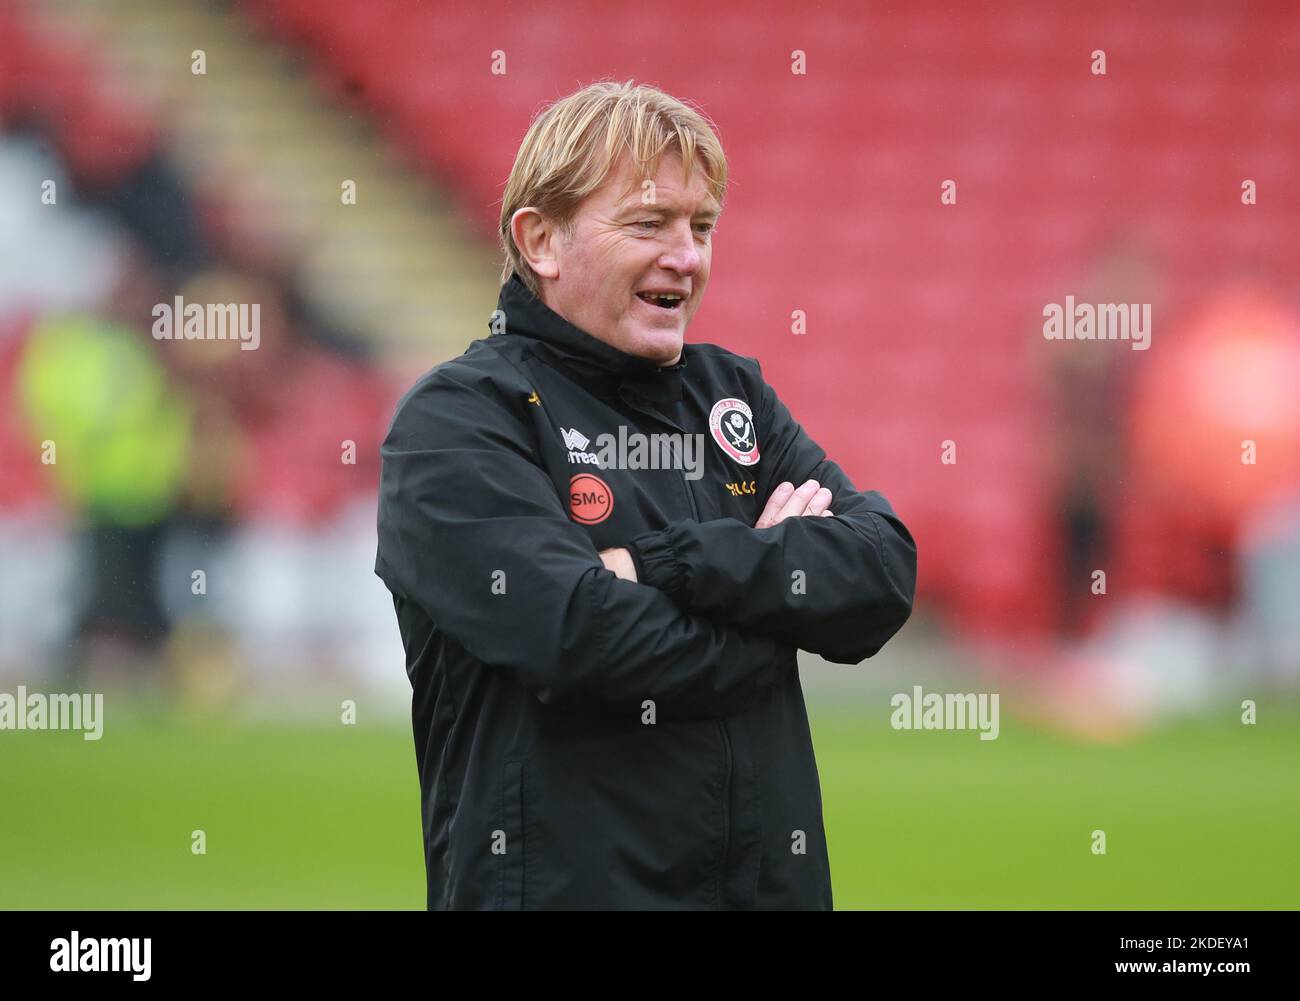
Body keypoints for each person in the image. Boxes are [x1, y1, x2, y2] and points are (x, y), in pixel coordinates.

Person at [375, 80, 916, 909]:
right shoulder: (457, 420)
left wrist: (664, 562)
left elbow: (880, 571)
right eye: (650, 223)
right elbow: (578, 633)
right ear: (541, 240)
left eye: (702, 227)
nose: (688, 256)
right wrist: (777, 613)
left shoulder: (731, 395)